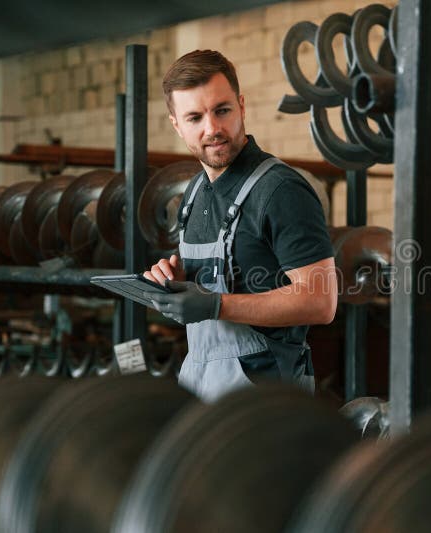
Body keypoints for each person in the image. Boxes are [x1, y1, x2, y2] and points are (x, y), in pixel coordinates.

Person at [143, 50, 337, 402]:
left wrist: (217, 306)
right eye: (194, 117)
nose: (212, 129)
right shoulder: (195, 192)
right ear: (176, 125)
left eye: (222, 110)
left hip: (266, 403)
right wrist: (174, 279)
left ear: (242, 106)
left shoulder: (280, 190)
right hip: (200, 384)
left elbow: (321, 300)